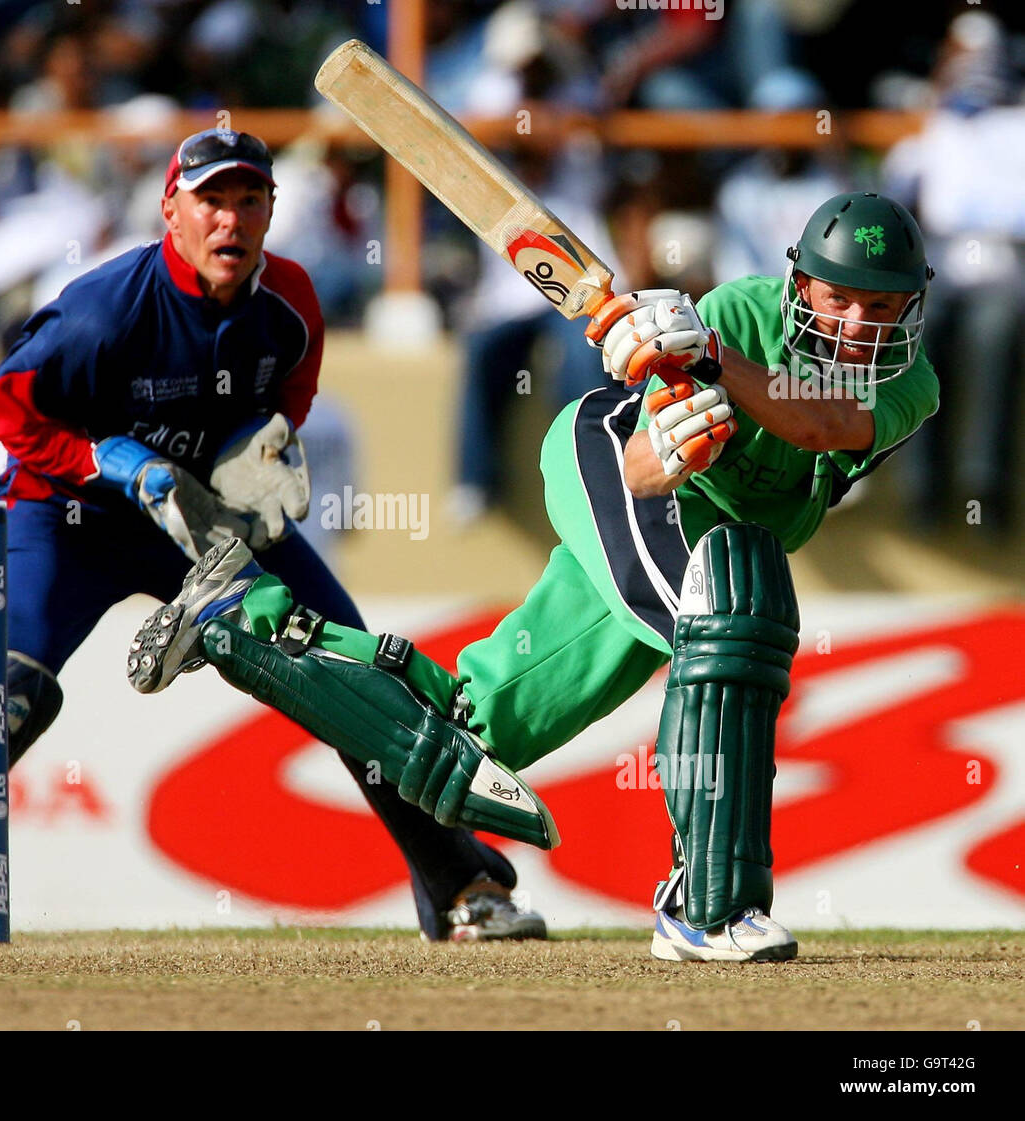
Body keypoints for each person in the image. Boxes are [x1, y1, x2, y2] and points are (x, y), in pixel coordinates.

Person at [128, 191, 939, 961]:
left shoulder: (912, 383)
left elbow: (824, 420)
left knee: (463, 738)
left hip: (702, 533)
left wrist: (713, 364)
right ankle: (708, 908)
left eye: (881, 306)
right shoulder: (740, 310)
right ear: (800, 282)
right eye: (840, 299)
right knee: (733, 609)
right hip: (613, 466)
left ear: (912, 307)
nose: (860, 323)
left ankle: (244, 619)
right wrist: (666, 393)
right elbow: (648, 462)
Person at [0, 128, 545, 943]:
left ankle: (464, 889)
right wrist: (105, 457)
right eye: (210, 200)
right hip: (72, 517)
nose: (229, 220)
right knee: (11, 688)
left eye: (248, 200)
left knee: (358, 685)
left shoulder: (293, 305)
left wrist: (261, 441)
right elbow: (12, 409)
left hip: (207, 522)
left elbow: (290, 392)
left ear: (271, 211)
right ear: (171, 209)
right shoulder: (105, 308)